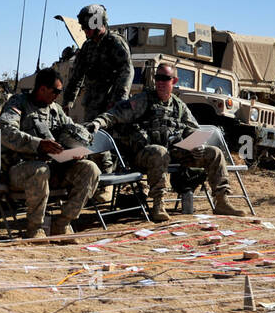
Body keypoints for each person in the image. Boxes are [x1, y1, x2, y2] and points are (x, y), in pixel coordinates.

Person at [87, 62, 249, 221]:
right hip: (144, 155)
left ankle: (222, 201)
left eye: (164, 78)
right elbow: (114, 114)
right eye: (157, 78)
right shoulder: (143, 101)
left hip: (175, 152)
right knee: (160, 152)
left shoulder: (179, 106)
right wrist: (97, 123)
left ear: (174, 81)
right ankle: (158, 204)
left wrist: (198, 145)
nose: (160, 82)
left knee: (214, 153)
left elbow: (193, 129)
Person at [0, 67, 101, 239]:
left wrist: (77, 149)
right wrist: (39, 145)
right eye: (56, 91)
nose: (58, 95)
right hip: (20, 170)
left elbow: (71, 129)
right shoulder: (18, 103)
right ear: (42, 89)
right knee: (40, 170)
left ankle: (62, 223)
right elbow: (6, 132)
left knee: (90, 169)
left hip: (54, 168)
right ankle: (35, 228)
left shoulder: (55, 109)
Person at [64, 3, 132, 122]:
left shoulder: (115, 43)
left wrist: (118, 102)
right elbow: (77, 75)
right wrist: (68, 101)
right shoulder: (87, 46)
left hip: (111, 107)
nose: (85, 30)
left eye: (87, 27)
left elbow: (127, 71)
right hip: (93, 106)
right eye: (83, 27)